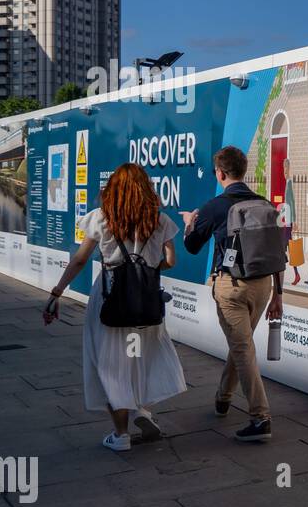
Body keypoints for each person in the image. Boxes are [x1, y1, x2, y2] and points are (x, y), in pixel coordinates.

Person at [42, 163, 185, 452]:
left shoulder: (100, 218)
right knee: (139, 359)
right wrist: (144, 266)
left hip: (110, 298)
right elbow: (170, 260)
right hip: (145, 302)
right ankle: (141, 411)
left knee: (110, 366)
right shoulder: (159, 220)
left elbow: (80, 260)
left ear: (113, 190)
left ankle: (121, 434)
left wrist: (57, 292)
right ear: (146, 189)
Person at [180, 146, 283, 442]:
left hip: (231, 287)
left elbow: (192, 247)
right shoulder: (263, 203)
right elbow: (278, 251)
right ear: (243, 170)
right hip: (263, 285)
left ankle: (260, 418)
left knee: (243, 348)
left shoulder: (214, 206)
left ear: (220, 173)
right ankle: (223, 397)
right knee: (242, 346)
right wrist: (278, 295)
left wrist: (189, 225)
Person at [280, 157, 301, 286]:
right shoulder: (287, 182)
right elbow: (287, 205)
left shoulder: (289, 183)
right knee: (287, 248)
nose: (284, 171)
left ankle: (279, 273)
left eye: (286, 168)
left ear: (289, 169)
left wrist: (294, 221)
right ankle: (296, 274)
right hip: (286, 221)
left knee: (283, 248)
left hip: (288, 223)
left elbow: (292, 203)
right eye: (283, 168)